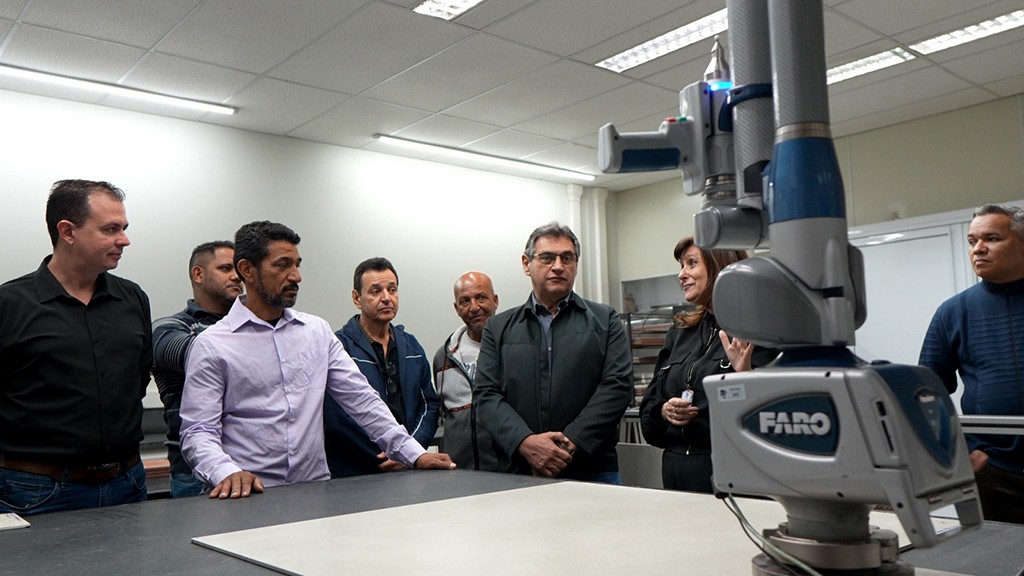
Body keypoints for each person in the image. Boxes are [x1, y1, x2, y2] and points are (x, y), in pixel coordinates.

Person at [179, 222, 453, 499]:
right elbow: (198, 431)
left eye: (297, 265)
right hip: (248, 497)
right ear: (247, 270)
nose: (296, 276)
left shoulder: (316, 332)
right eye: (282, 265)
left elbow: (362, 400)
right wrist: (225, 472)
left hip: (313, 495)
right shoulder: (213, 345)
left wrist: (413, 453)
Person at [0, 179, 151, 514]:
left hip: (127, 484)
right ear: (67, 231)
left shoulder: (132, 298)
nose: (124, 240)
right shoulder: (9, 304)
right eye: (110, 229)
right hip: (36, 491)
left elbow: (136, 382)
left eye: (124, 228)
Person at [474, 222, 633, 483]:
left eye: (567, 258)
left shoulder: (605, 320)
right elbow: (486, 394)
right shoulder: (498, 328)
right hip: (520, 471)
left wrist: (568, 444)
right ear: (526, 264)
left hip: (592, 469)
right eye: (547, 257)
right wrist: (526, 442)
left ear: (576, 264)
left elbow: (618, 386)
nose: (558, 266)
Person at [638, 237, 777, 493]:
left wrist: (746, 376)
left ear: (719, 266)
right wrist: (664, 411)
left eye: (692, 263)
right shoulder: (680, 332)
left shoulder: (757, 329)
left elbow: (775, 417)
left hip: (731, 474)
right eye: (681, 265)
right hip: (675, 473)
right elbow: (649, 407)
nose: (682, 274)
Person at [920, 203, 1024, 524]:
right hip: (994, 471)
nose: (978, 248)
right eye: (972, 241)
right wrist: (959, 449)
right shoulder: (952, 312)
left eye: (992, 238)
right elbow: (925, 392)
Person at [325, 257, 440, 478]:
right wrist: (388, 453)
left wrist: (410, 451)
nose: (387, 298)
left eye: (392, 290)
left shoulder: (412, 346)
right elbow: (338, 415)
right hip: (354, 474)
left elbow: (429, 405)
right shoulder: (339, 347)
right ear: (356, 298)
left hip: (407, 471)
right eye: (376, 291)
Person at [151, 241, 242, 497]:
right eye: (225, 268)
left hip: (255, 464)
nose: (237, 276)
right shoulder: (168, 329)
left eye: (239, 269)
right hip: (195, 472)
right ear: (198, 274)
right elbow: (203, 356)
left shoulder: (254, 326)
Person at [433, 271, 501, 471]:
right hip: (459, 472)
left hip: (508, 470)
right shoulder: (443, 356)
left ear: (495, 300)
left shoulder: (511, 349)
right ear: (456, 308)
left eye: (481, 297)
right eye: (465, 301)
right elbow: (442, 414)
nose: (474, 307)